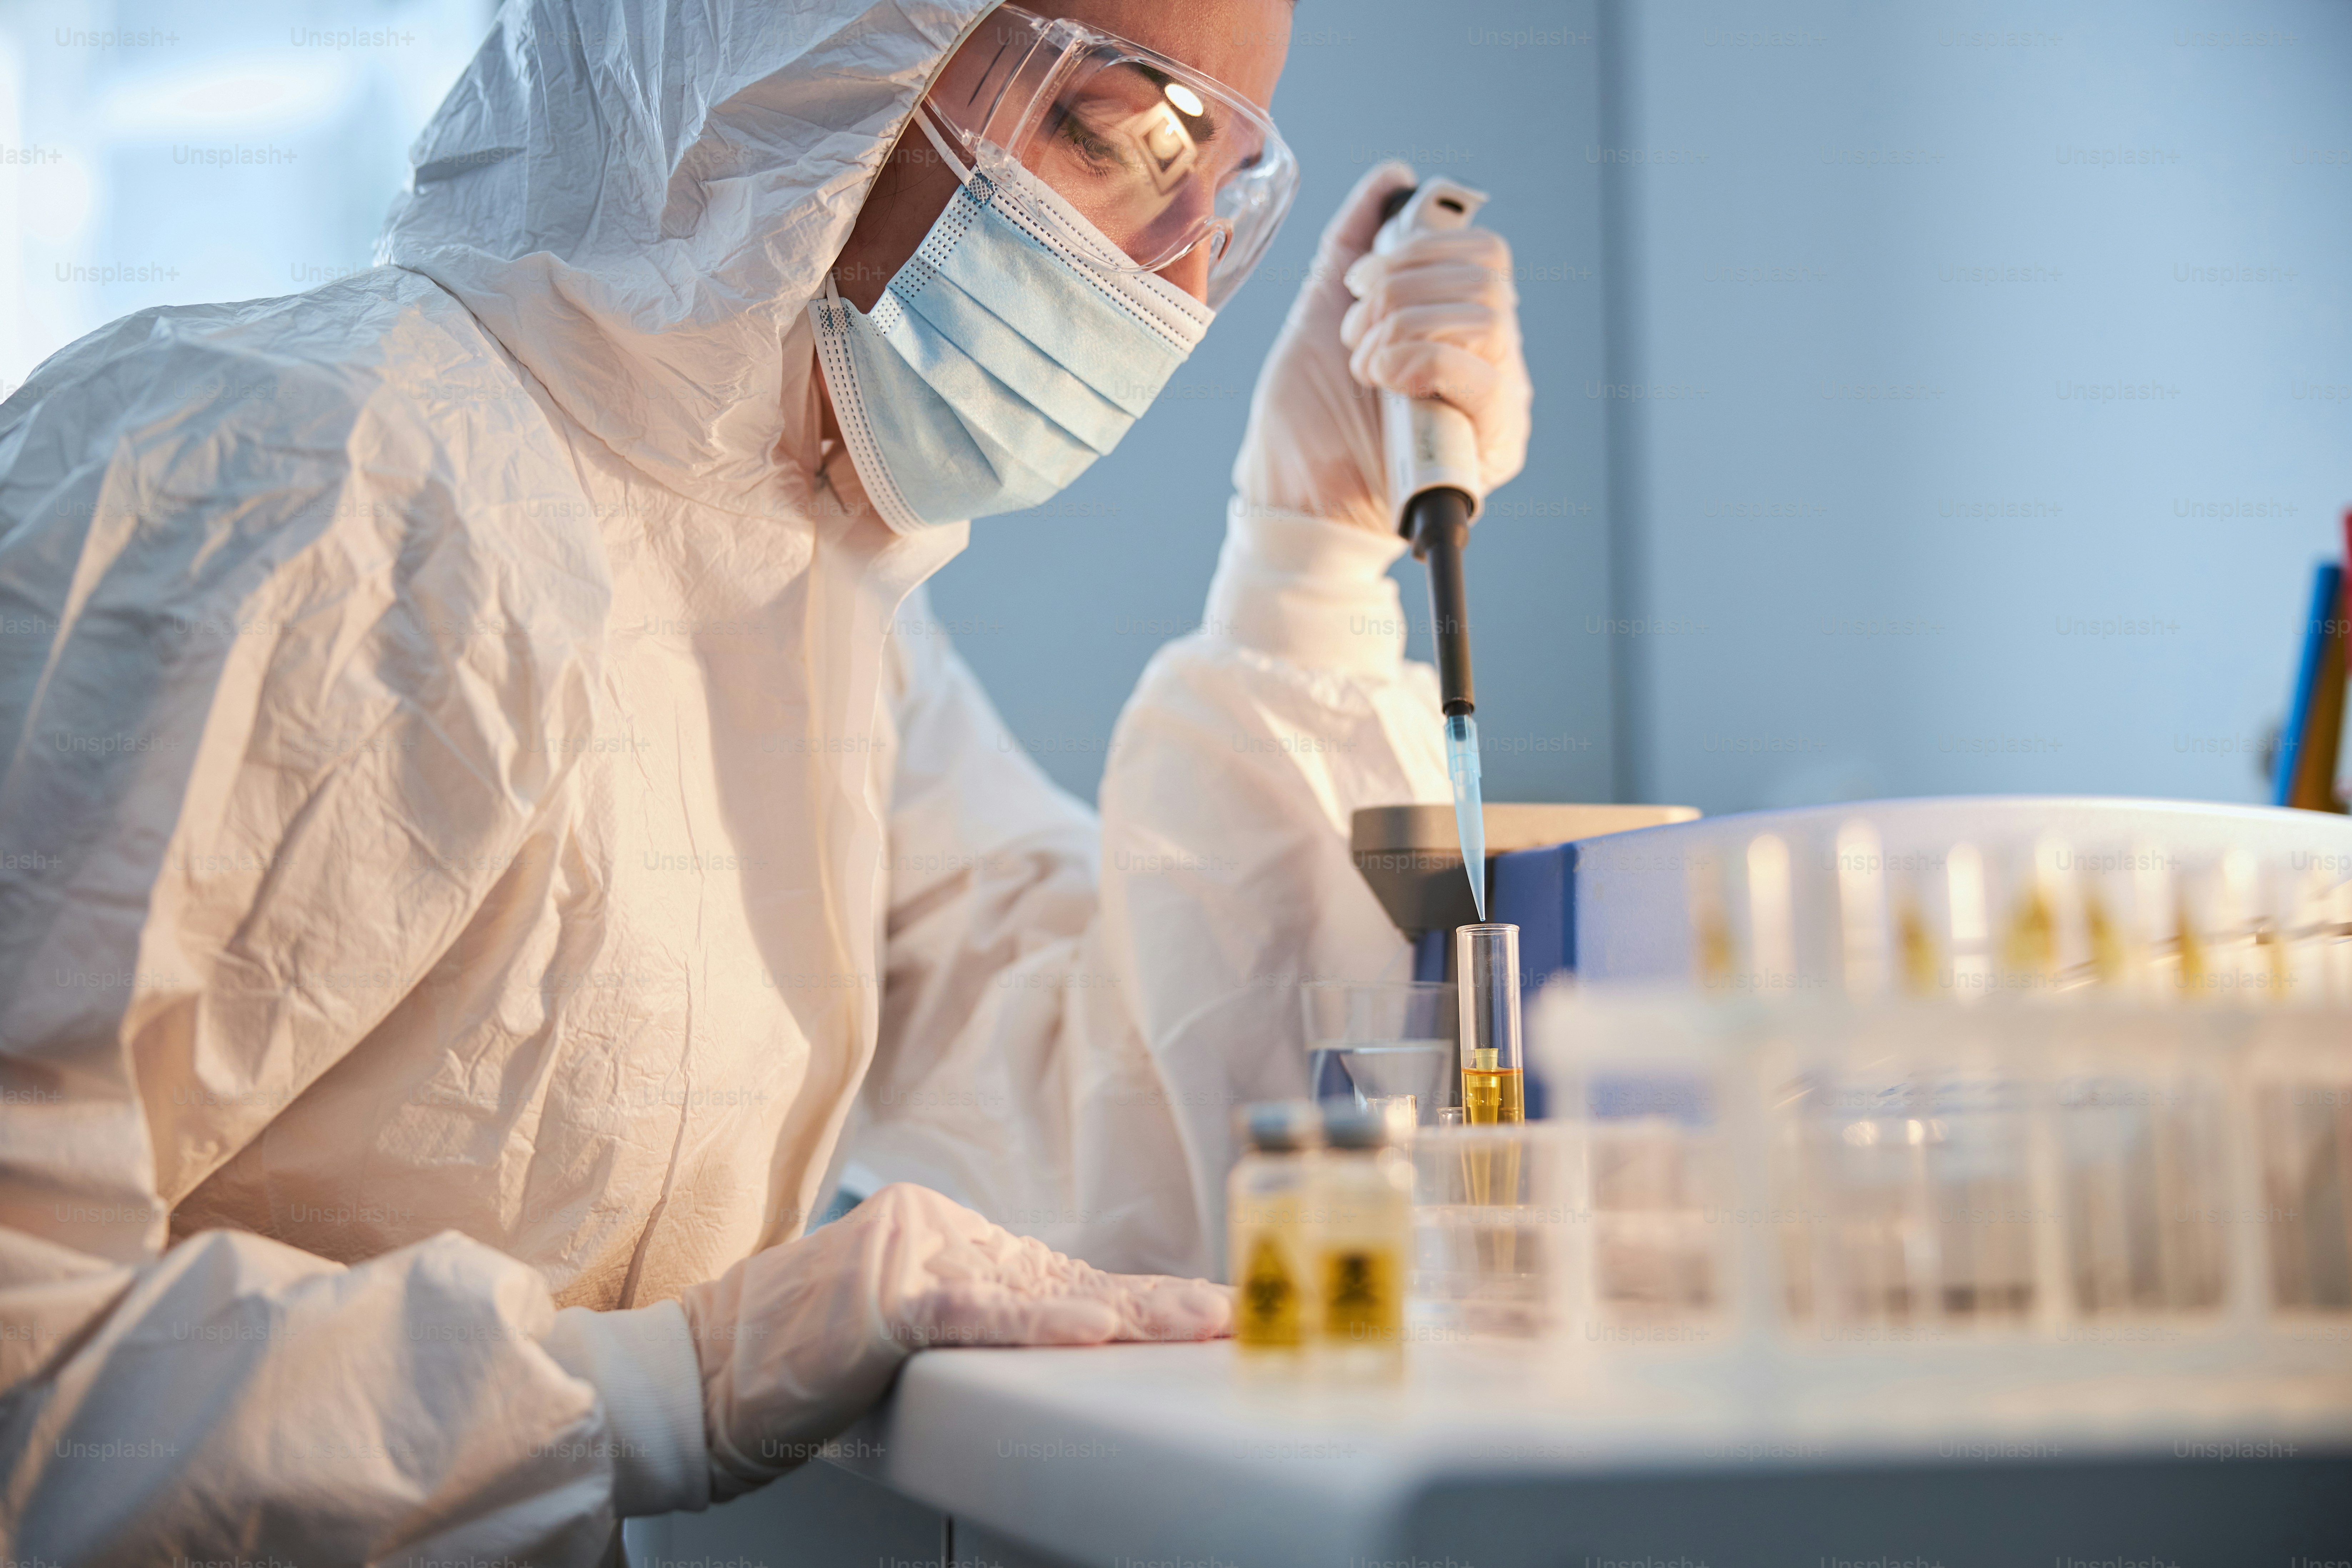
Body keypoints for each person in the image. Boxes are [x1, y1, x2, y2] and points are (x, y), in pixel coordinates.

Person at [0, 0, 1530, 1558]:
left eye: (1228, 188)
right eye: (1128, 138)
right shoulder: (291, 486)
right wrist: (662, 1389)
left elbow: (1153, 1156)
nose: (1179, 278)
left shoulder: (798, 604)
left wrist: (1311, 555)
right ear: (800, 57)